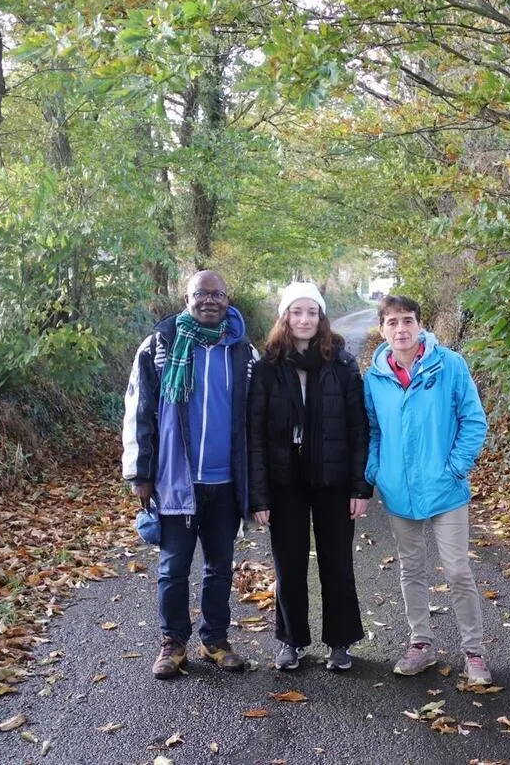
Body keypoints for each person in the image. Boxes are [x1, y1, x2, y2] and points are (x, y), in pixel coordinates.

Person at [122, 270, 259, 680]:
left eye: (217, 294)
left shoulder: (243, 352)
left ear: (227, 298)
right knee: (172, 567)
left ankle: (215, 639)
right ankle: (173, 642)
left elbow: (256, 419)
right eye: (201, 294)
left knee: (220, 566)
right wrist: (139, 473)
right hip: (174, 480)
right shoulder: (159, 346)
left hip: (225, 482)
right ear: (187, 298)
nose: (209, 301)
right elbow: (138, 411)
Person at [364, 295, 492, 686]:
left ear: (420, 325)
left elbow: (473, 420)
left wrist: (455, 468)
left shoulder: (449, 365)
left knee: (457, 570)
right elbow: (372, 430)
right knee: (412, 569)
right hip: (399, 492)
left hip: (446, 489)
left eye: (408, 321)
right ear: (382, 330)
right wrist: (377, 471)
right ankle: (421, 643)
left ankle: (474, 652)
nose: (401, 329)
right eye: (392, 322)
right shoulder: (374, 377)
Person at [248, 282, 371, 672]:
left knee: (337, 561)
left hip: (333, 479)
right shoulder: (267, 367)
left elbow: (358, 429)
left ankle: (340, 641)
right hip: (286, 481)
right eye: (296, 312)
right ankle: (291, 641)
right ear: (285, 317)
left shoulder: (342, 363)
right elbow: (254, 434)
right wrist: (259, 496)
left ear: (321, 317)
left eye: (312, 312)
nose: (304, 319)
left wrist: (360, 487)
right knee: (289, 562)